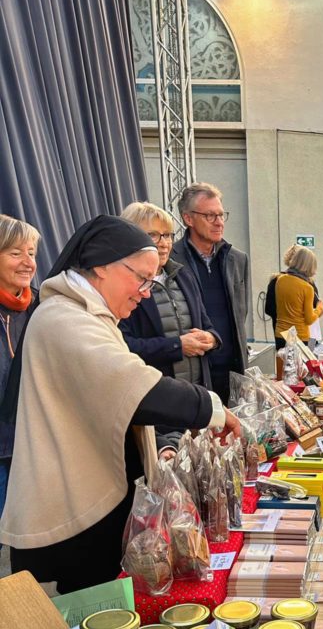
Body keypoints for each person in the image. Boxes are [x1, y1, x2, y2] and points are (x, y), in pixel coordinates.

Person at [0, 215, 240, 594]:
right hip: (74, 518)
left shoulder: (89, 315)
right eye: (141, 278)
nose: (146, 292)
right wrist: (213, 409)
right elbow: (135, 388)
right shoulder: (63, 318)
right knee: (86, 627)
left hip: (93, 507)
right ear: (101, 266)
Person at [119, 201, 220, 391]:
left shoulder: (183, 276)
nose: (164, 243)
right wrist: (176, 346)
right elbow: (123, 346)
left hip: (198, 393)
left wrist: (211, 338)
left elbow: (207, 324)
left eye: (167, 235)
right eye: (153, 235)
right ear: (131, 237)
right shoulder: (124, 286)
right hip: (158, 399)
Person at [172, 182, 250, 406]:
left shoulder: (237, 258)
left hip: (233, 371)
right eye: (210, 216)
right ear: (188, 219)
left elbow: (240, 313)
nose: (219, 222)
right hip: (193, 372)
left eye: (221, 215)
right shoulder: (171, 260)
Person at [0, 215, 39, 522]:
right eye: (15, 253)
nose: (28, 262)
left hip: (30, 447)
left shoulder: (41, 307)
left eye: (32, 253)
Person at [273, 244, 322, 345]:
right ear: (309, 266)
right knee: (298, 361)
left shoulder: (280, 280)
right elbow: (309, 319)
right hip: (299, 337)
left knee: (282, 360)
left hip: (281, 334)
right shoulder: (307, 287)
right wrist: (319, 309)